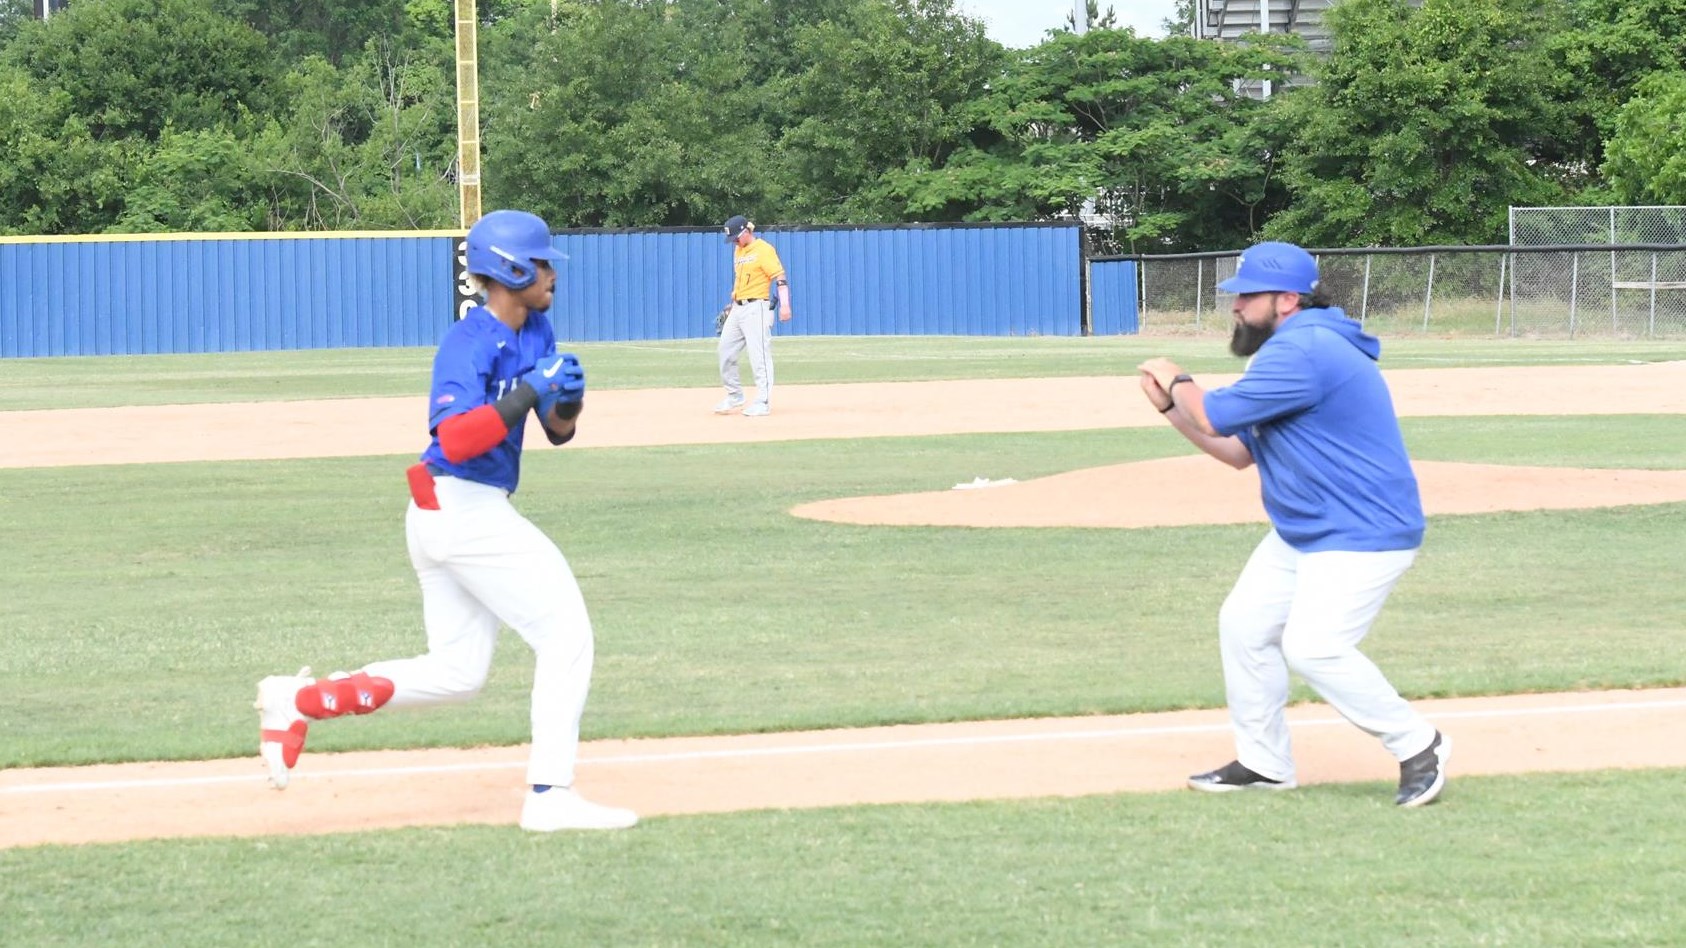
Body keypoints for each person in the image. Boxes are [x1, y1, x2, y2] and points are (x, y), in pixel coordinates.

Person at [255, 209, 637, 832]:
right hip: (458, 503)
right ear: (511, 268)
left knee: (459, 672)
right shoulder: (466, 342)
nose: (551, 274)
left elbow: (557, 435)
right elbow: (456, 440)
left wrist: (566, 400)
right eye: (542, 263)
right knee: (567, 635)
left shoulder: (537, 329)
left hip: (460, 509)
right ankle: (548, 795)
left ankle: (294, 701)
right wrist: (527, 392)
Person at [1136, 241, 1450, 808]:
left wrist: (1177, 378)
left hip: (1362, 531)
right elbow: (1236, 453)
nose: (1234, 306)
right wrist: (1168, 409)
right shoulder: (1287, 351)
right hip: (1304, 530)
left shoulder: (1303, 350)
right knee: (1244, 627)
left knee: (1315, 647)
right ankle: (1265, 763)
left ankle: (1419, 743)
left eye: (1246, 296)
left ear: (1286, 299)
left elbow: (1212, 412)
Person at [713, 214, 792, 417]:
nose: (735, 242)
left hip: (757, 307)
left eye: (736, 238)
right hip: (739, 307)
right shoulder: (739, 251)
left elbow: (779, 277)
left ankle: (763, 401)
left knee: (759, 356)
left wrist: (785, 306)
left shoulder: (764, 249)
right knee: (725, 350)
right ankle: (734, 395)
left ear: (746, 232)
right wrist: (732, 304)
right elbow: (740, 281)